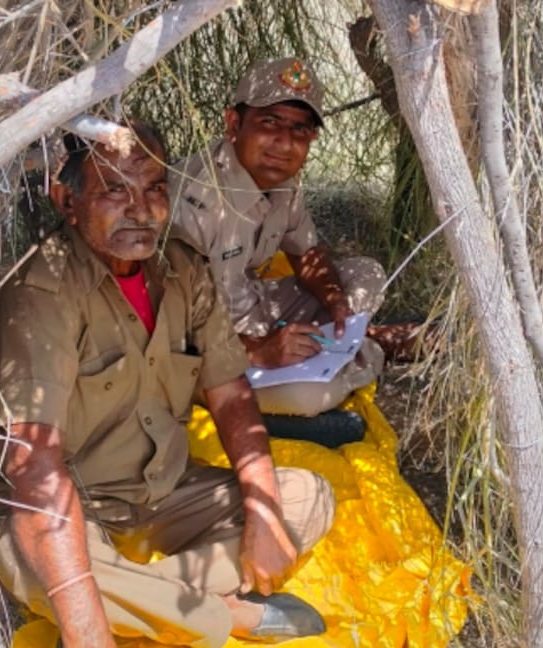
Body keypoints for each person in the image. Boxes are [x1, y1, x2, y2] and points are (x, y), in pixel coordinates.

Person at [0, 122, 334, 648]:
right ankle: (217, 614)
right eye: (114, 190)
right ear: (68, 201)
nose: (141, 209)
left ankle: (127, 602)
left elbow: (230, 396)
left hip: (171, 492)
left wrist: (265, 517)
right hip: (85, 514)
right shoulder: (45, 292)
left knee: (306, 499)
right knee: (20, 558)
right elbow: (34, 464)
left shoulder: (182, 269)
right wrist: (86, 640)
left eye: (153, 189)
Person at [169, 56, 422, 418]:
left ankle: (339, 345)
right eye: (269, 122)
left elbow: (307, 254)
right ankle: (369, 346)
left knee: (365, 276)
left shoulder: (284, 182)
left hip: (257, 310)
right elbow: (170, 326)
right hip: (203, 348)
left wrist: (335, 302)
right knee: (307, 399)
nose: (284, 143)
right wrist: (256, 351)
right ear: (233, 123)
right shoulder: (195, 201)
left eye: (299, 130)